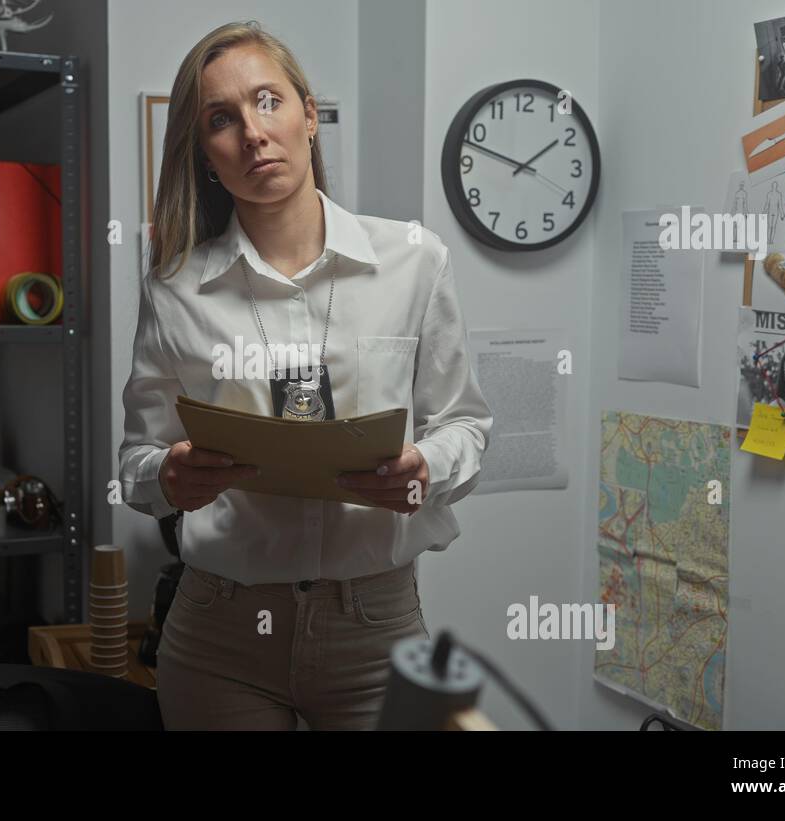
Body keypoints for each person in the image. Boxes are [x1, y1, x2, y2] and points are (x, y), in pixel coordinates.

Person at [118, 21, 492, 730]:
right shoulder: (174, 288)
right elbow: (134, 460)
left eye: (269, 101)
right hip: (219, 631)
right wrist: (167, 475)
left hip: (374, 627)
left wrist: (423, 467)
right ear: (205, 155)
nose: (253, 133)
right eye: (222, 120)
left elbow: (465, 425)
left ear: (309, 115)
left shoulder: (414, 261)